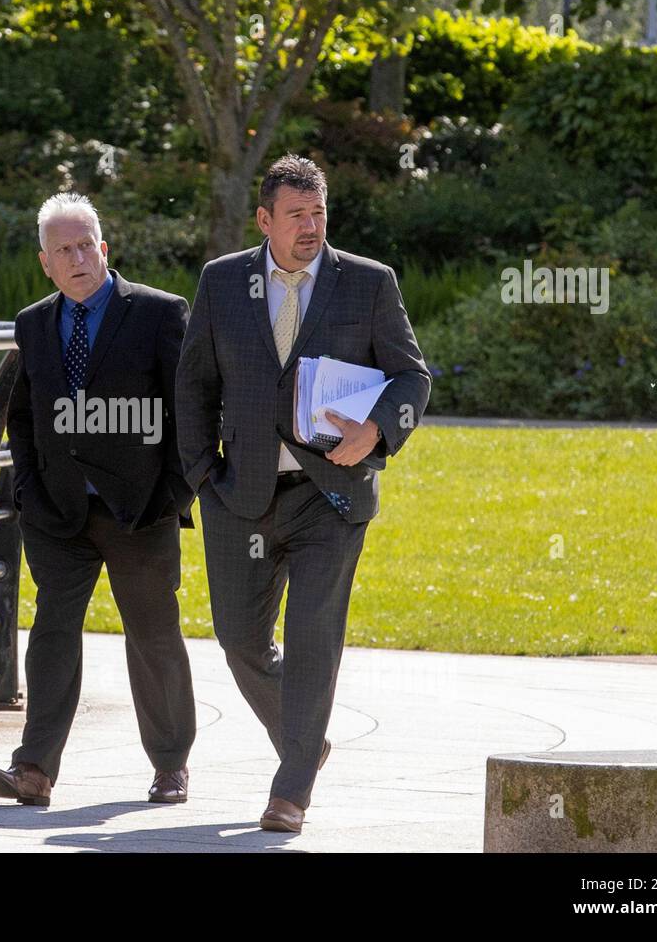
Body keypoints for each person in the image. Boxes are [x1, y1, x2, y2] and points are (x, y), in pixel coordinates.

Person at [175, 154, 430, 832]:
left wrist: (376, 433)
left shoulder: (368, 284)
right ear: (264, 220)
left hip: (332, 494)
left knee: (314, 638)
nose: (311, 226)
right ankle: (306, 740)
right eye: (296, 215)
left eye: (318, 212)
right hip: (240, 492)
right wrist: (203, 474)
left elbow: (413, 379)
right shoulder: (223, 281)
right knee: (239, 640)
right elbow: (193, 384)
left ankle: (290, 789)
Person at [0, 193, 197, 806]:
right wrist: (29, 487)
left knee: (153, 635)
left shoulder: (158, 313)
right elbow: (23, 416)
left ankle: (170, 764)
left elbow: (188, 412)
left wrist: (173, 494)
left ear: (104, 248)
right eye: (62, 251)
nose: (77, 258)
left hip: (139, 509)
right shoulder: (32, 323)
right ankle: (35, 770)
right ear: (45, 262)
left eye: (85, 246)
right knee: (51, 632)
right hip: (57, 513)